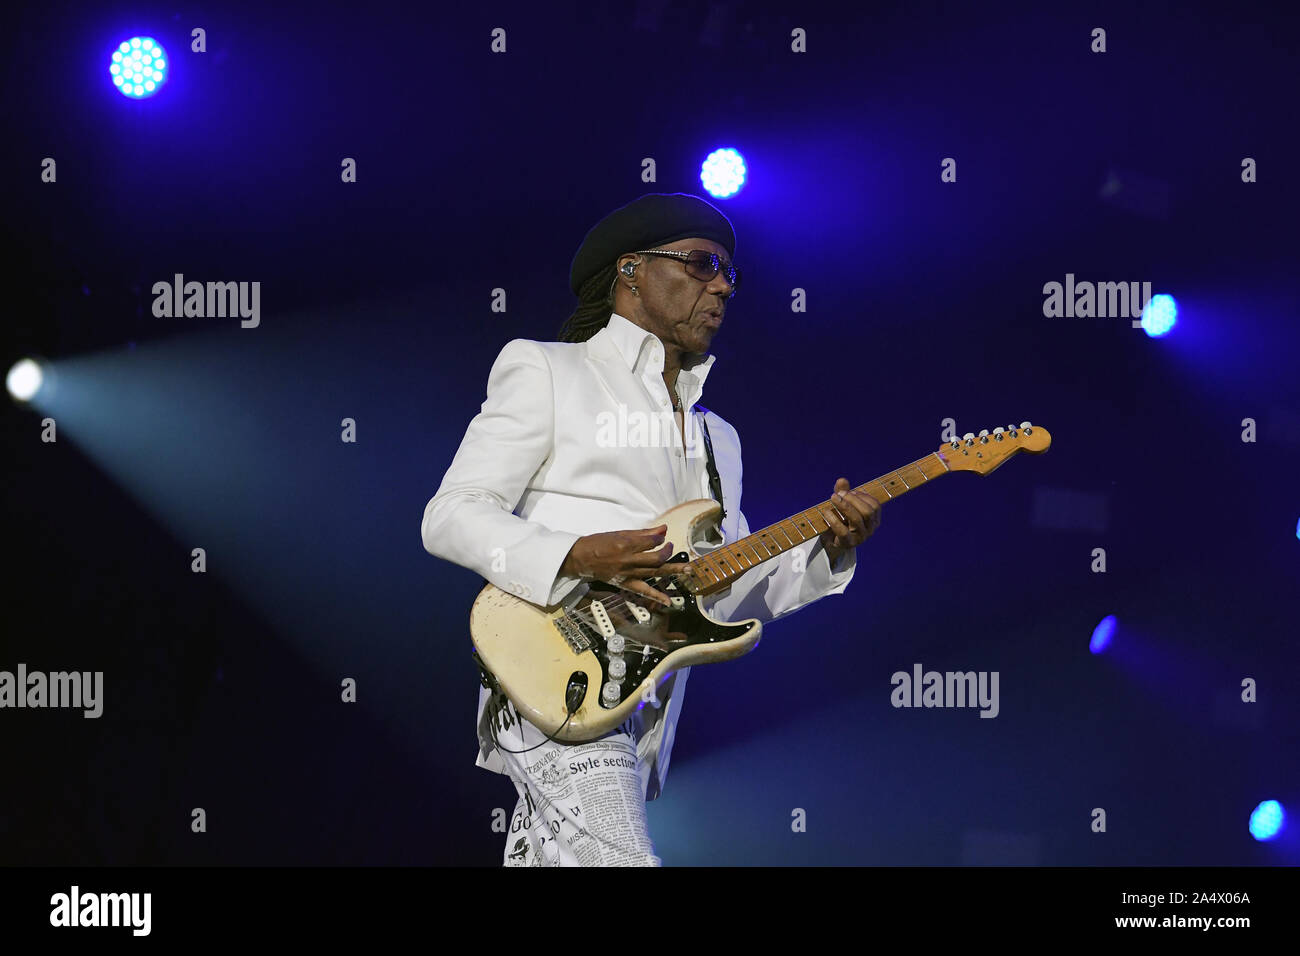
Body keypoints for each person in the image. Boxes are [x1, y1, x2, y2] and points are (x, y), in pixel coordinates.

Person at [421, 192, 881, 866]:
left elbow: (725, 590)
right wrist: (575, 554)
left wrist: (826, 551)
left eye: (730, 275)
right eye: (702, 265)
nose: (722, 286)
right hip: (554, 662)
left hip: (639, 703)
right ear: (631, 270)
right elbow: (451, 513)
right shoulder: (550, 371)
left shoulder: (717, 438)